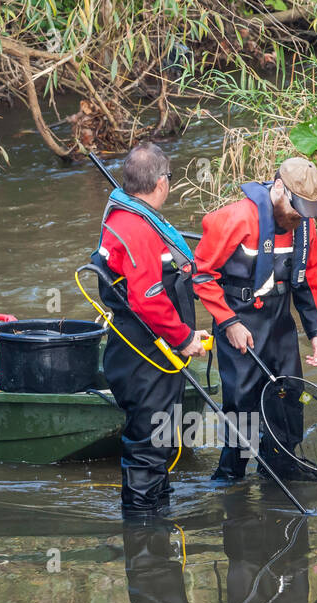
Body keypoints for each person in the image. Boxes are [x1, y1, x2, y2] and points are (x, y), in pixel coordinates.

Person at [193, 157, 317, 482]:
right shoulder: (235, 219)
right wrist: (228, 323)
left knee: (288, 396)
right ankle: (230, 476)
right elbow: (201, 276)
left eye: (307, 211)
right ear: (278, 187)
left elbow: (308, 279)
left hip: (280, 323)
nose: (300, 217)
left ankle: (279, 470)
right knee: (242, 404)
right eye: (296, 208)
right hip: (240, 321)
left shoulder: (304, 226)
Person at [91, 143, 209, 517]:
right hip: (143, 353)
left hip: (146, 348)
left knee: (158, 440)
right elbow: (148, 299)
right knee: (148, 443)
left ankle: (157, 516)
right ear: (161, 183)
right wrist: (185, 338)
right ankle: (144, 534)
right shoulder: (137, 230)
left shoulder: (129, 217)